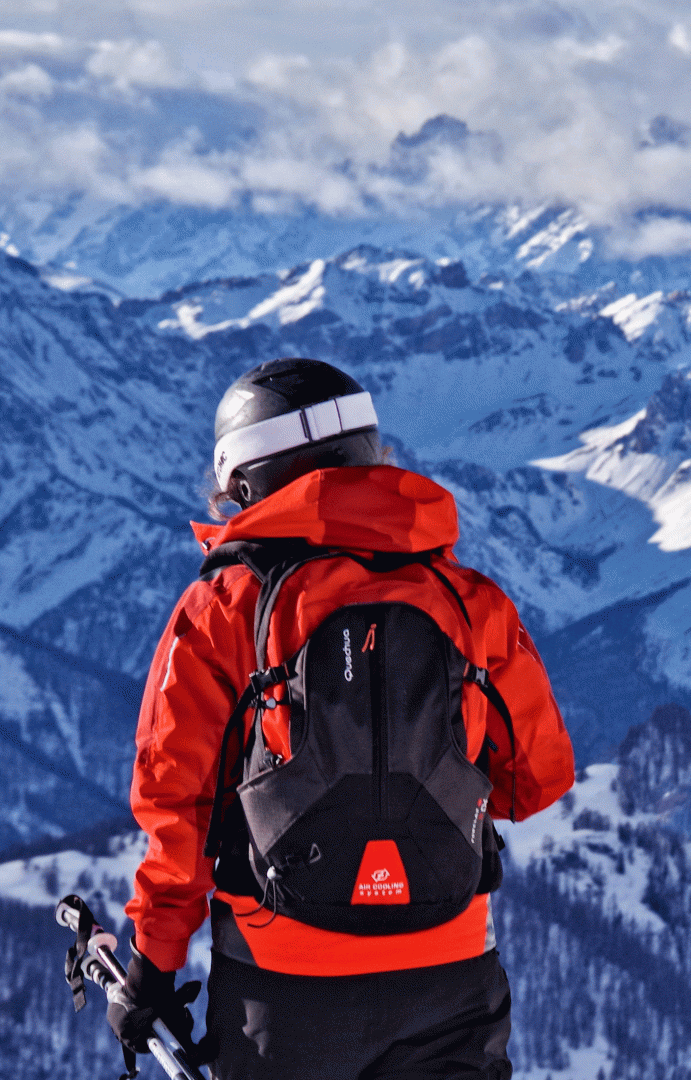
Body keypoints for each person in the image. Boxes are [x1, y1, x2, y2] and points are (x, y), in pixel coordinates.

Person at [113, 357, 576, 1079]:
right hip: (449, 977)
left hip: (284, 989)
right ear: (369, 457)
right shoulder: (471, 599)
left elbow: (180, 812)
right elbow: (536, 780)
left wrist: (151, 967)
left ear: (245, 485)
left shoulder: (222, 611)